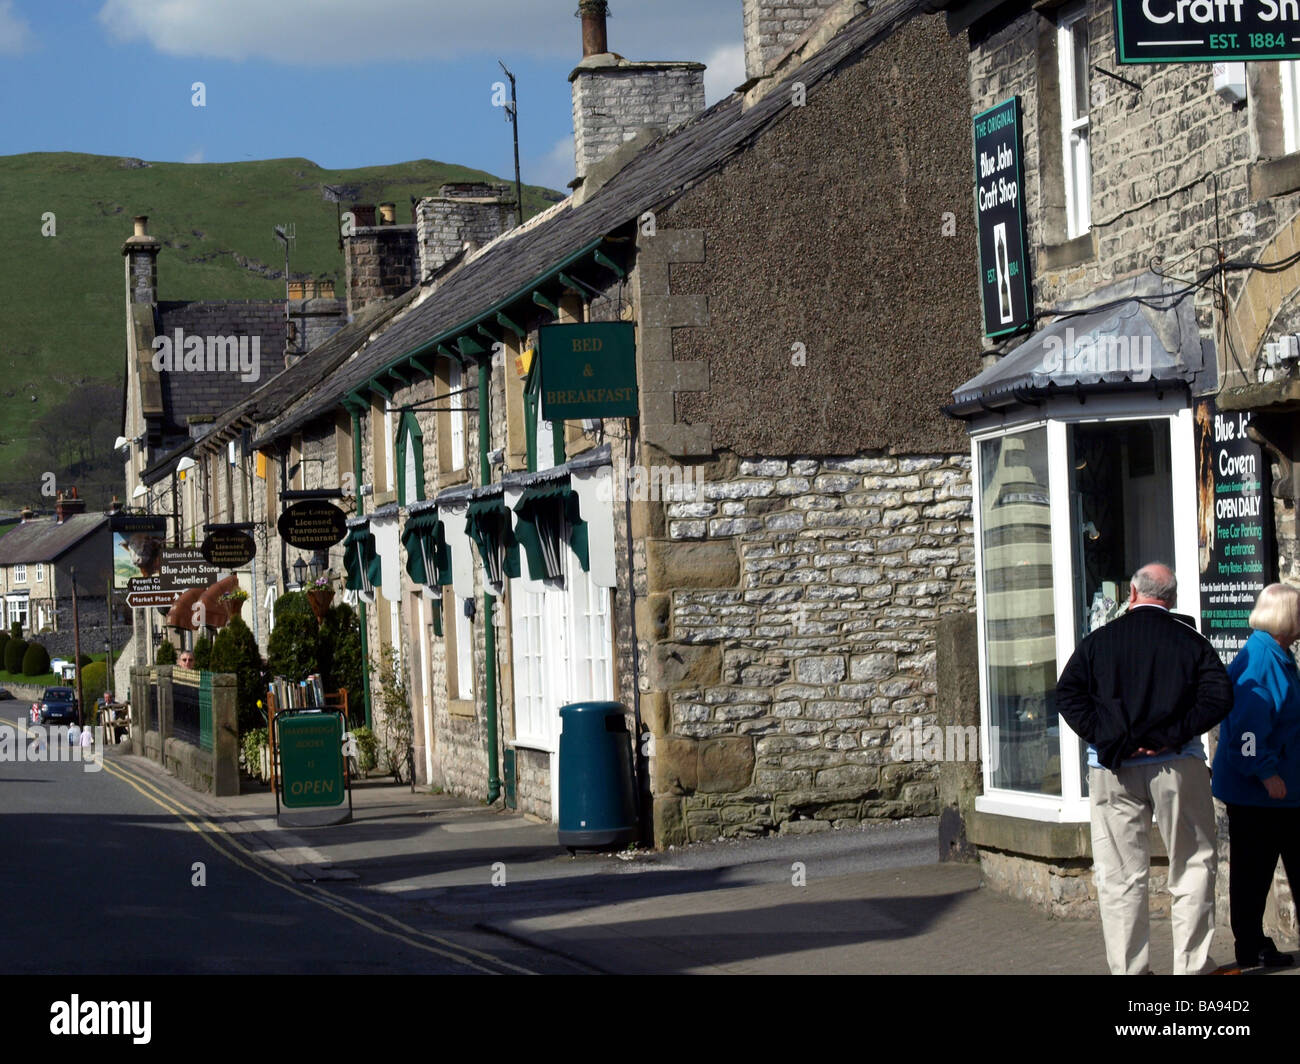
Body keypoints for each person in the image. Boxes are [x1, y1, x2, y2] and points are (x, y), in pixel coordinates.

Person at [1056, 562, 1233, 975]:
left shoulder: (1098, 641)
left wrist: (1108, 735)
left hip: (1112, 768)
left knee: (1119, 876)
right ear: (1170, 600)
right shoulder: (1190, 641)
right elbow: (1219, 697)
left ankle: (1130, 971)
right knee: (1192, 866)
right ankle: (1192, 967)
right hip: (1177, 766)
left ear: (1132, 594)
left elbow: (1068, 694)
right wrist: (1171, 735)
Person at [1211, 583, 1300, 969]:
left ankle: (1253, 946)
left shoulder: (1276, 654)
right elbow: (1246, 733)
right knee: (1252, 876)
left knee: (1257, 873)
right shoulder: (1262, 662)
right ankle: (1250, 950)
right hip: (1261, 796)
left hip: (1279, 793)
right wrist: (1266, 773)